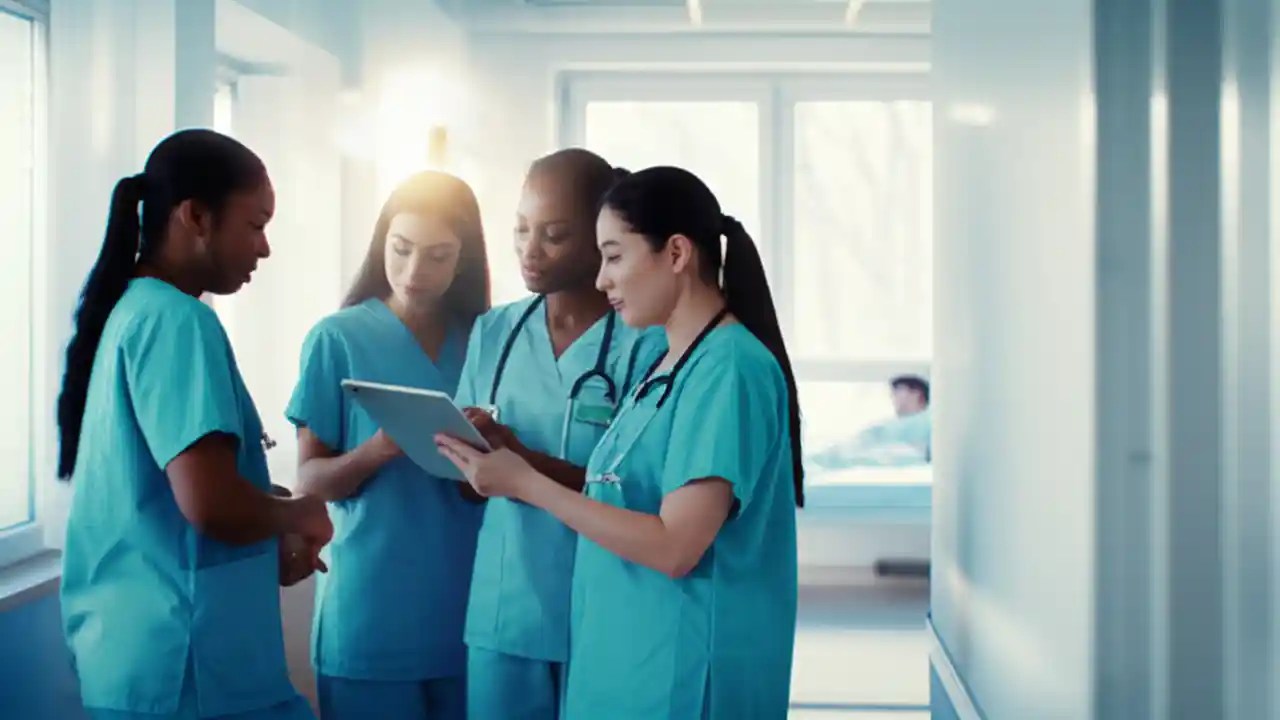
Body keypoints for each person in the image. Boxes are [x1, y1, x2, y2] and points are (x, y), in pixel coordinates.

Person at [437, 166, 804, 719]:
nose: (602, 279)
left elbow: (675, 546)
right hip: (628, 662)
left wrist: (528, 483)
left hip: (682, 671)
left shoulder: (729, 369)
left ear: (676, 254)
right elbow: (619, 494)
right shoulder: (673, 365)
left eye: (613, 256)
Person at [58, 129, 333, 720]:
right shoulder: (179, 321)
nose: (264, 248)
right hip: (185, 664)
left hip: (143, 655)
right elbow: (209, 505)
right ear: (197, 217)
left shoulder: (135, 309)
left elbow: (176, 491)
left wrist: (269, 511)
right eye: (256, 225)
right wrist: (298, 513)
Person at [451, 149, 659, 720]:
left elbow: (639, 488)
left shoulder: (646, 340)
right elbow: (471, 487)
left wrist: (521, 461)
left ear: (599, 237)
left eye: (554, 234)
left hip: (606, 601)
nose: (529, 249)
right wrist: (465, 457)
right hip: (504, 609)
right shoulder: (495, 331)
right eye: (521, 229)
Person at [284, 171, 490, 719]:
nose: (415, 271)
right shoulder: (337, 339)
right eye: (401, 250)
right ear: (382, 246)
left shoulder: (487, 340)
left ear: (464, 259)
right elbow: (310, 481)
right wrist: (377, 450)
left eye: (438, 256)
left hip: (467, 610)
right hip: (370, 611)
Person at [807, 375, 932, 470]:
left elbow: (915, 453)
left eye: (898, 391)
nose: (893, 396)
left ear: (916, 394)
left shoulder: (926, 422)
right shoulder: (888, 425)